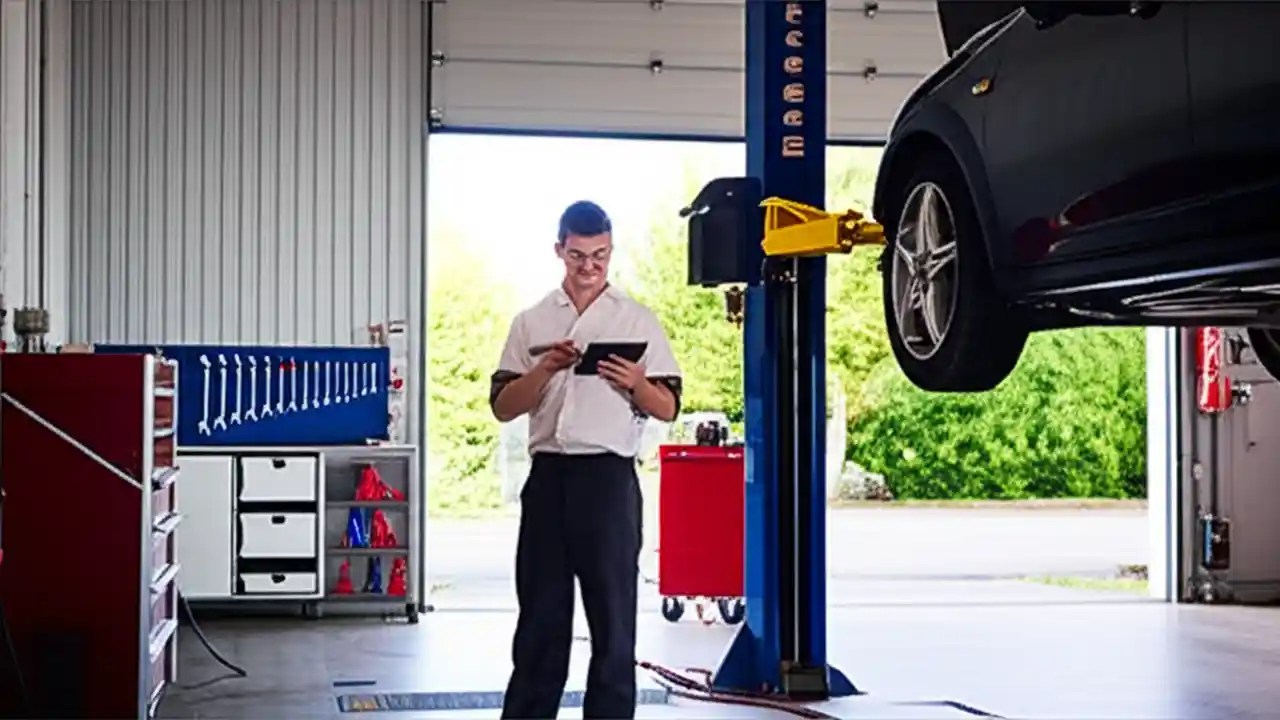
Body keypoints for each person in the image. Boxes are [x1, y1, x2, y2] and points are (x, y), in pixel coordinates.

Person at [490, 200, 683, 719]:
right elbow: (504, 407)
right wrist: (547, 369)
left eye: (599, 255)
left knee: (614, 624)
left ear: (610, 250)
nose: (589, 266)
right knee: (540, 625)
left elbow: (667, 406)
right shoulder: (531, 322)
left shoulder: (637, 319)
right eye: (578, 255)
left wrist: (637, 383)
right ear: (559, 251)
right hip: (549, 480)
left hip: (609, 483)